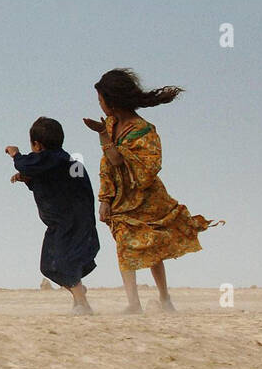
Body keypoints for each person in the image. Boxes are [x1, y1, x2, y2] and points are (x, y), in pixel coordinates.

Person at [83, 68, 221, 314]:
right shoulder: (111, 125)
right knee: (125, 245)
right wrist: (104, 199)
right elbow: (107, 166)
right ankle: (134, 303)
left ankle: (164, 298)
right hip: (121, 201)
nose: (101, 105)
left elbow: (128, 163)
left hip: (146, 200)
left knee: (153, 245)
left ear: (112, 100)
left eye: (101, 100)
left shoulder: (144, 130)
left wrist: (104, 136)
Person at [6, 117, 99, 314]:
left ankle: (82, 303)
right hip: (61, 224)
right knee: (48, 266)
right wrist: (28, 180)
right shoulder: (58, 164)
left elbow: (27, 164)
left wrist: (16, 154)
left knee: (65, 262)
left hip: (71, 224)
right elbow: (51, 184)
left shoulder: (58, 160)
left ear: (37, 145)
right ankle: (78, 293)